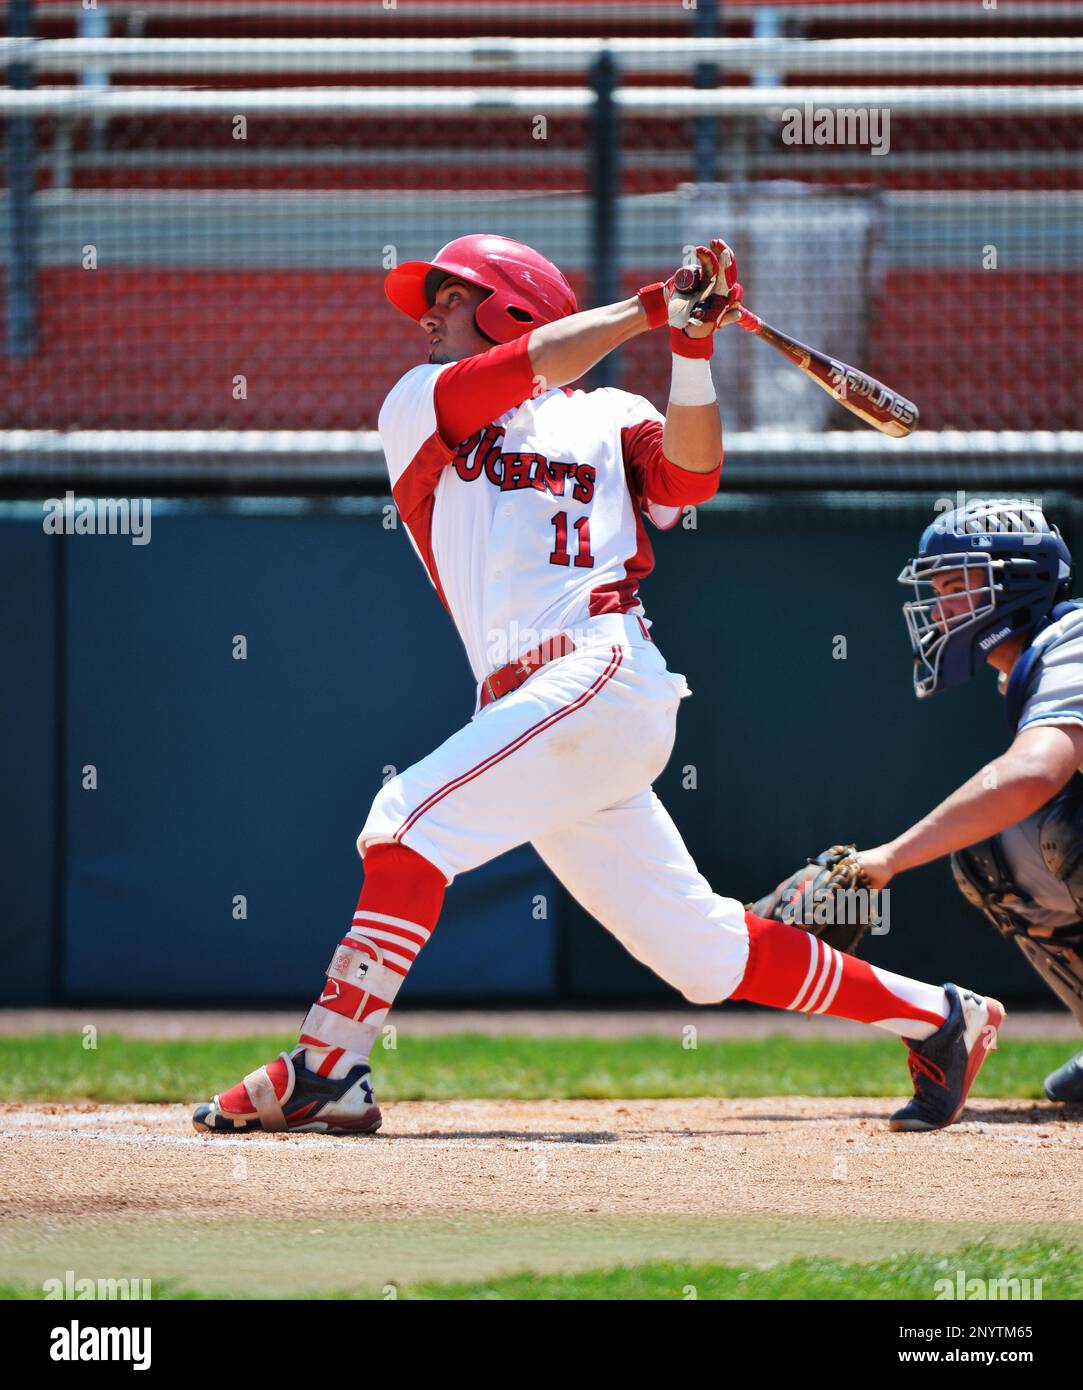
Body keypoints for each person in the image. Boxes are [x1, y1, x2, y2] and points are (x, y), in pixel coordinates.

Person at [193, 234, 1003, 1137]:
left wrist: (689, 348)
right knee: (696, 950)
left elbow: (692, 477)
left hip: (599, 671)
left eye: (451, 297)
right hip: (531, 713)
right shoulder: (417, 402)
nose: (428, 315)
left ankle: (327, 1065)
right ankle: (938, 1019)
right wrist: (655, 307)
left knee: (403, 823)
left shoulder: (611, 414)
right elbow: (531, 363)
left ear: (507, 303)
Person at [854, 497, 1083, 1103]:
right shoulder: (1041, 659)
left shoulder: (1075, 637)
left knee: (1070, 828)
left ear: (1018, 582)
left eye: (958, 585)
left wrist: (890, 858)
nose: (941, 607)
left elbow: (1034, 773)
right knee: (993, 854)